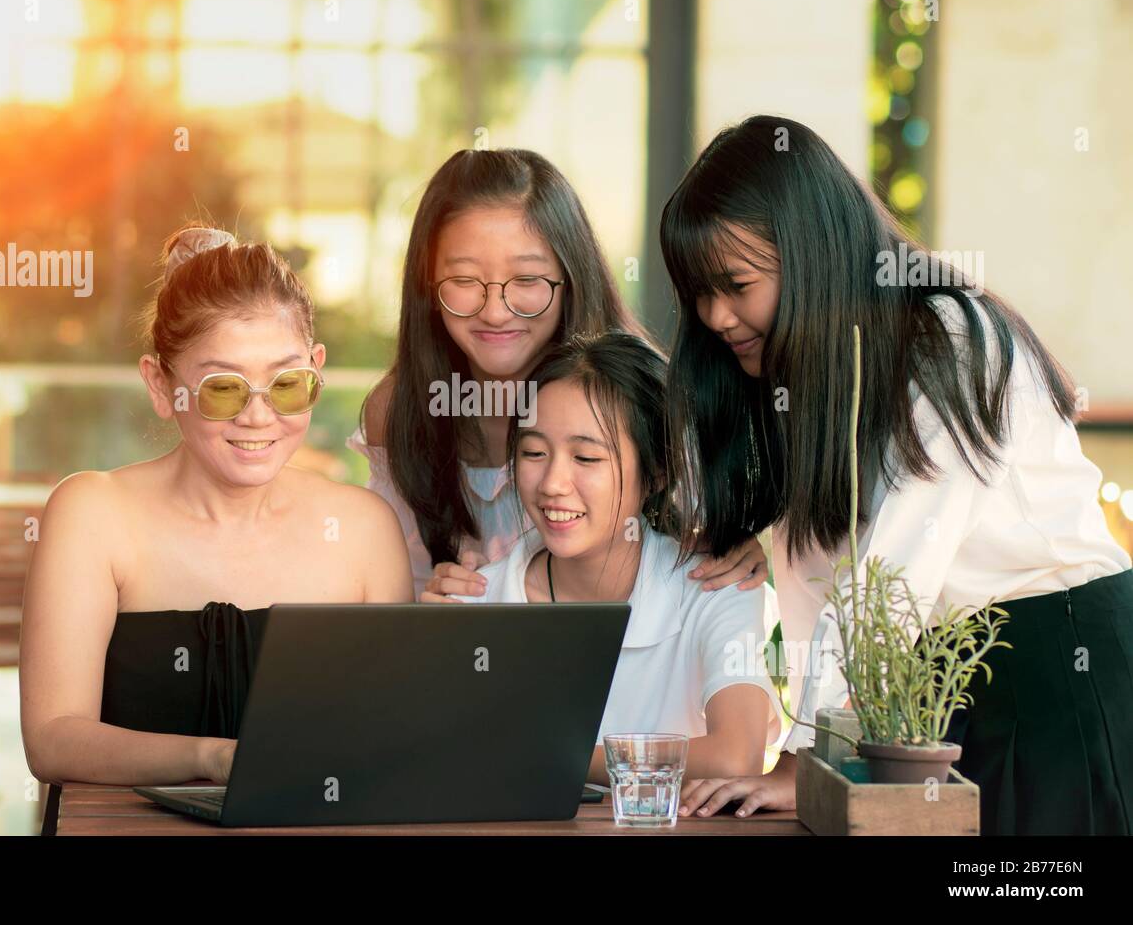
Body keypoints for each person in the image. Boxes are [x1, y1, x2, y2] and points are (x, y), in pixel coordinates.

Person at [661, 115, 1132, 834]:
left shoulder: (952, 340)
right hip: (938, 695)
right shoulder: (806, 378)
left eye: (737, 284)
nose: (717, 317)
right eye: (699, 293)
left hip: (1062, 671)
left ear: (814, 252)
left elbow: (897, 568)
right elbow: (837, 578)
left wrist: (814, 750)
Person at [21, 224, 412, 804]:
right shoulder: (93, 514)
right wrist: (210, 757)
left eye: (286, 384)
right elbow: (52, 739)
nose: (258, 417)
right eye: (223, 389)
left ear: (317, 372)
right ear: (160, 385)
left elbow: (397, 736)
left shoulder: (363, 527)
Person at [349, 148, 767, 600]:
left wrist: (736, 544)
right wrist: (434, 612)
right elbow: (392, 594)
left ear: (571, 277)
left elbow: (704, 560)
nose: (495, 311)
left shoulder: (644, 396)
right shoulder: (400, 408)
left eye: (527, 281)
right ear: (427, 286)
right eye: (465, 282)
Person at [428, 331, 782, 794]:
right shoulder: (472, 603)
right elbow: (442, 763)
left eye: (586, 457)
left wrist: (546, 756)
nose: (553, 482)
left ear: (657, 472)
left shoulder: (715, 589)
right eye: (534, 452)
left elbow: (737, 756)